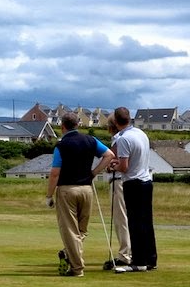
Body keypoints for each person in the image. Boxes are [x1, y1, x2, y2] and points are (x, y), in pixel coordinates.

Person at [45, 113, 114, 276]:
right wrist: (94, 173)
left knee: (70, 230)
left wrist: (49, 195)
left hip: (67, 189)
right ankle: (68, 253)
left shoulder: (61, 145)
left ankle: (76, 268)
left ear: (62, 127)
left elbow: (55, 172)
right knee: (82, 230)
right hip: (86, 189)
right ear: (78, 124)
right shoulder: (91, 140)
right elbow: (109, 155)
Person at [109, 107, 156, 273]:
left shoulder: (123, 139)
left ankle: (138, 261)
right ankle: (151, 259)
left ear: (115, 121)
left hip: (133, 182)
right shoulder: (141, 133)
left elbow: (124, 166)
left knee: (135, 223)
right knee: (146, 222)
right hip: (146, 181)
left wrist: (113, 165)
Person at [102, 115, 131, 270]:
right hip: (130, 182)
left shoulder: (118, 140)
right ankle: (130, 252)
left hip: (119, 181)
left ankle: (125, 255)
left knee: (121, 219)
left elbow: (112, 161)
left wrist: (108, 166)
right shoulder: (131, 136)